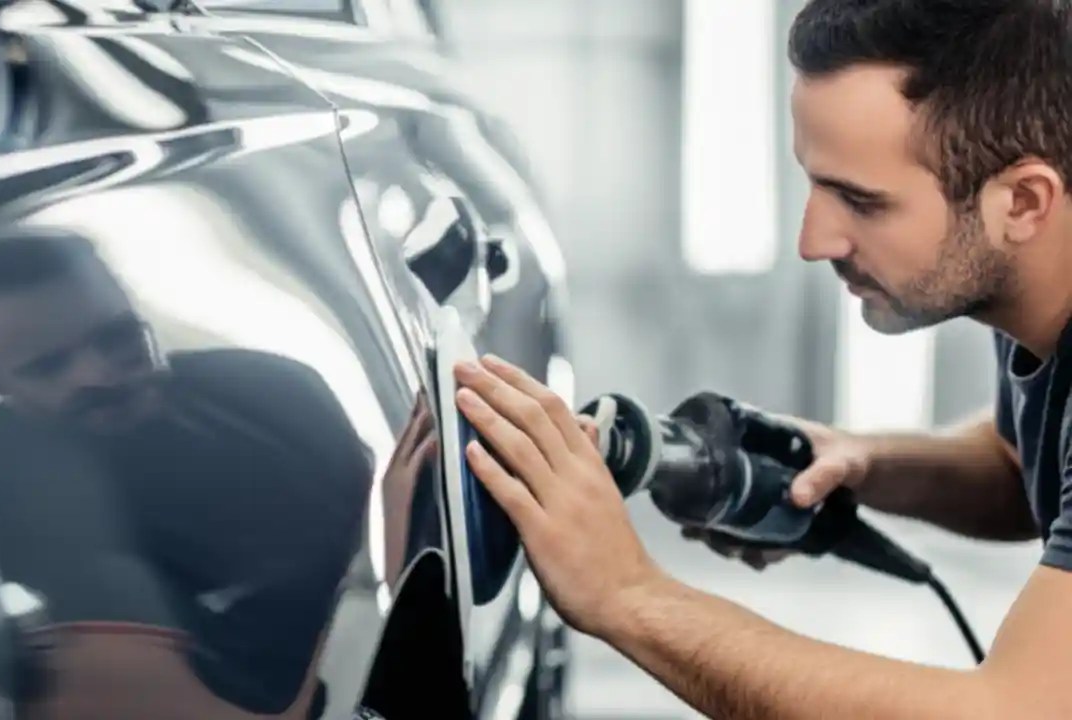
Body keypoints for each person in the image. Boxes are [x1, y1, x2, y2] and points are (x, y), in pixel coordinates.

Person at [452, 1, 1072, 718]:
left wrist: (627, 594)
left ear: (1025, 201)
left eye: (861, 202)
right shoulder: (1028, 280)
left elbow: (1015, 712)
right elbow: (1026, 467)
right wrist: (860, 463)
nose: (814, 241)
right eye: (813, 181)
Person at [0, 227, 373, 719]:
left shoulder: (278, 393)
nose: (98, 375)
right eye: (49, 366)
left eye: (118, 339)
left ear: (140, 314)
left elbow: (389, 544)